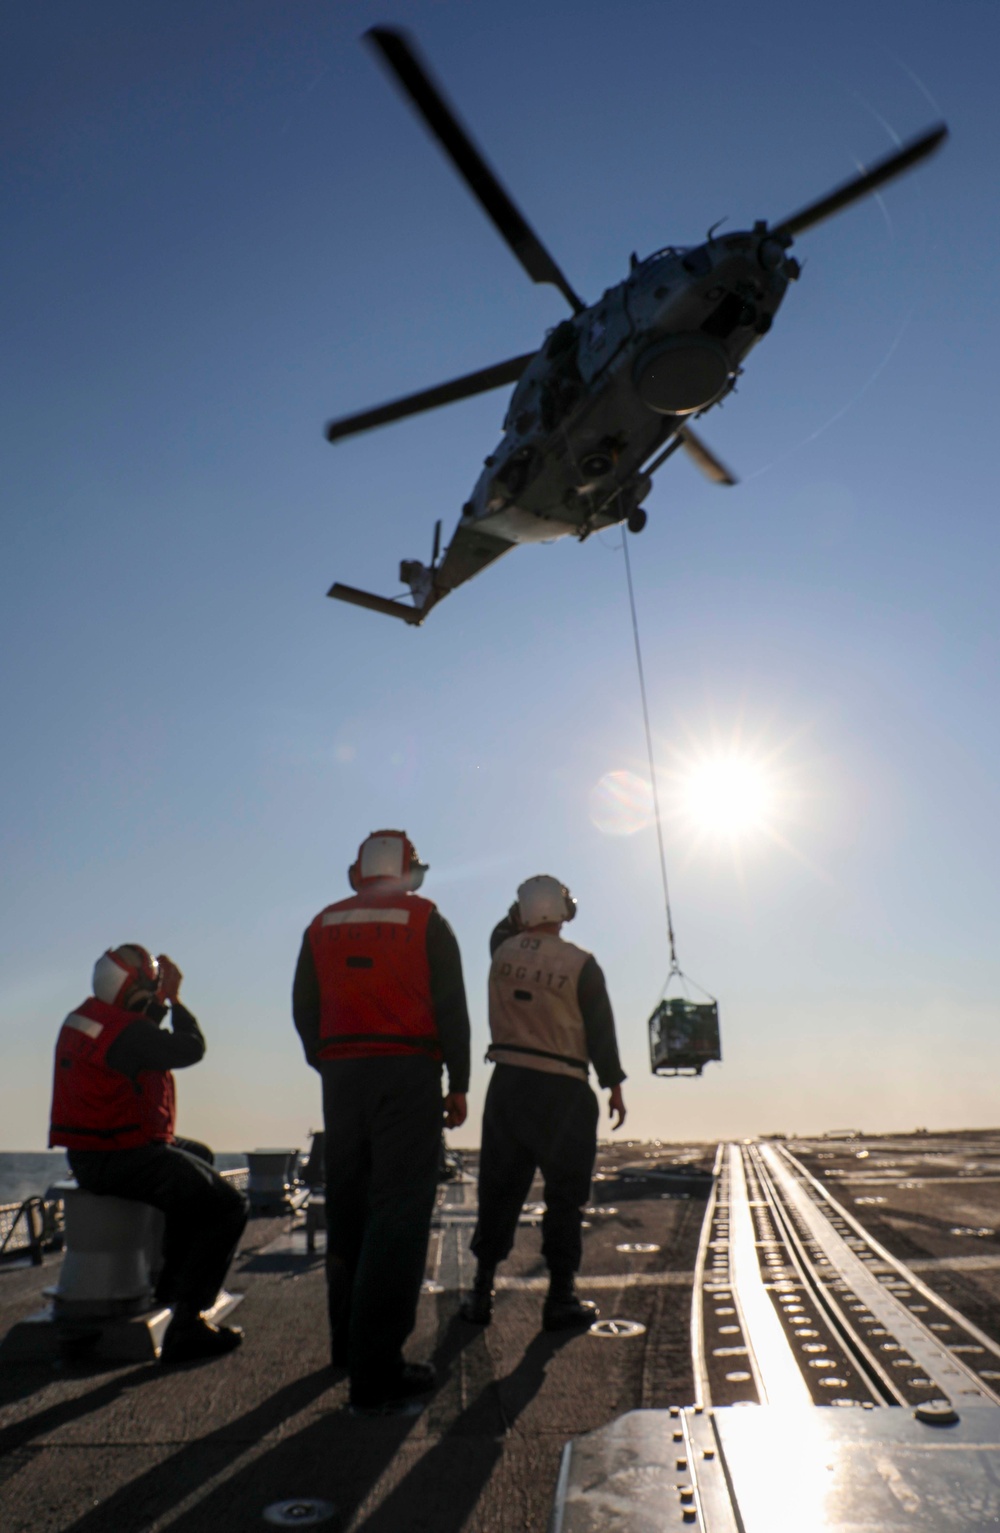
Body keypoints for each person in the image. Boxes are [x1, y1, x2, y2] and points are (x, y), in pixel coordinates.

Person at [292, 830, 471, 1415]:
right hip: (407, 1074)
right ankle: (377, 1370)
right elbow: (452, 1007)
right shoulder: (425, 921)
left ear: (357, 874)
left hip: (343, 1078)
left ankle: (346, 1345)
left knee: (349, 1205)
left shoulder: (321, 924)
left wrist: (326, 1060)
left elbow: (304, 1007)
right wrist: (459, 1082)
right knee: (399, 1211)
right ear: (407, 872)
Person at [49, 944, 248, 1363]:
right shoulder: (130, 1033)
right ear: (133, 989)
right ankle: (188, 1324)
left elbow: (137, 1039)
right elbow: (189, 1048)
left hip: (91, 1153)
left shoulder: (87, 1020)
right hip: (121, 1156)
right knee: (228, 1206)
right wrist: (175, 1000)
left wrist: (154, 1002)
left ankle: (172, 1282)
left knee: (200, 1156)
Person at [460, 875, 626, 1331]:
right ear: (563, 911)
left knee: (498, 1191)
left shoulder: (501, 953)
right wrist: (613, 1083)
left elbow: (502, 930)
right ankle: (560, 1296)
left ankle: (480, 1291)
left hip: (509, 1085)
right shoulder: (581, 964)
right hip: (563, 1089)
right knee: (565, 1198)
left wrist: (519, 914)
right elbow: (601, 1030)